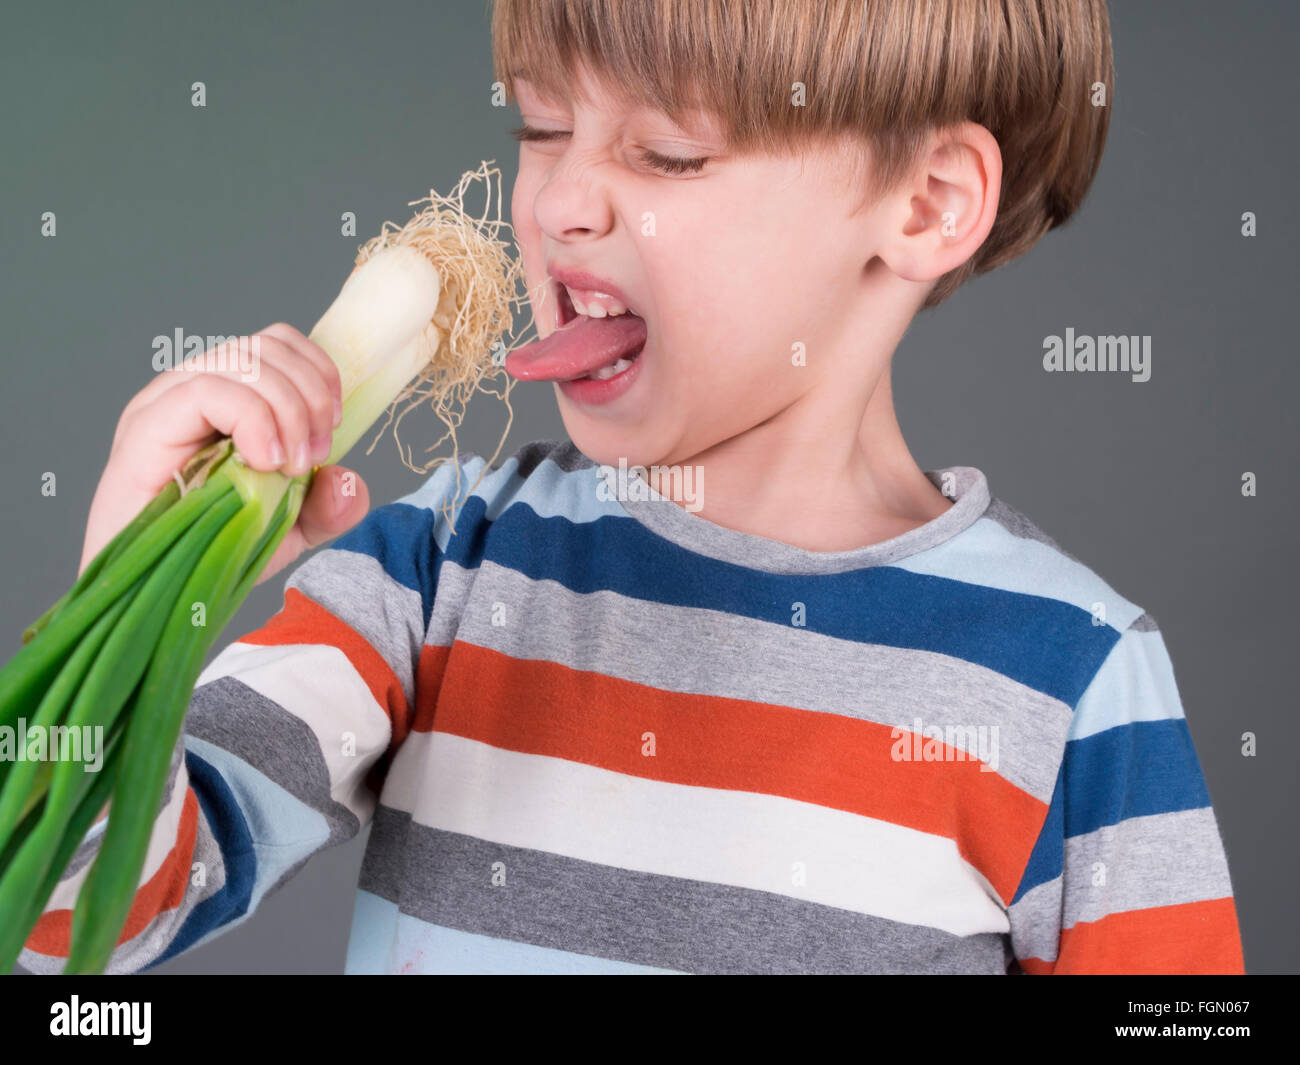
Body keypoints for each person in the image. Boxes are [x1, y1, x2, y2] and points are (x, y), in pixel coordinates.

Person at [20, 0, 1244, 974]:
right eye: (541, 128)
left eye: (669, 150)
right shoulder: (444, 569)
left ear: (924, 205)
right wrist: (130, 593)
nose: (559, 200)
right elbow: (79, 920)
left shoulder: (1069, 679)